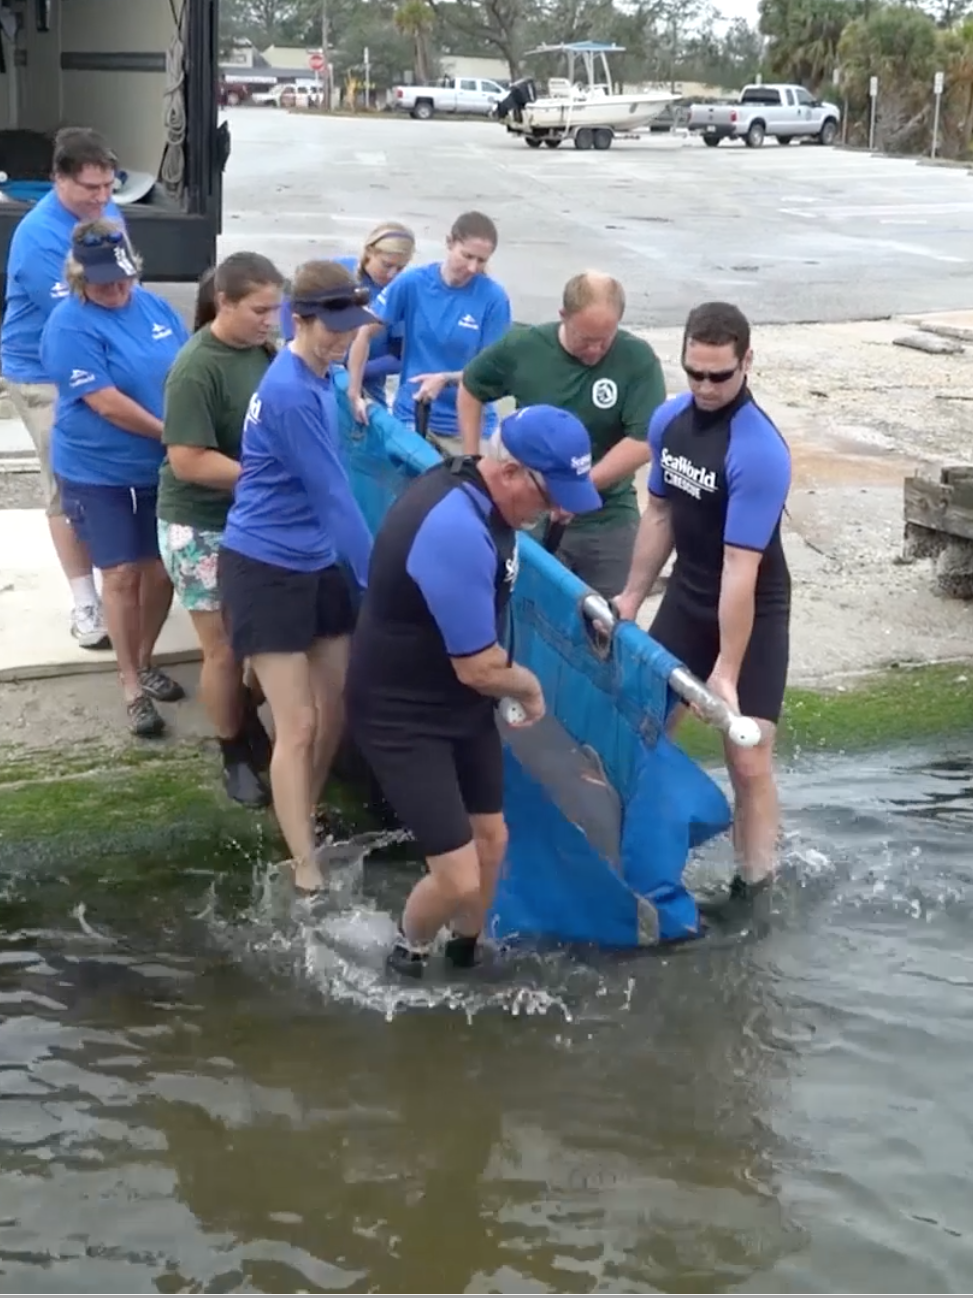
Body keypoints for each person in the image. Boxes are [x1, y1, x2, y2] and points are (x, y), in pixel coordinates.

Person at [352, 406, 602, 978]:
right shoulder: (455, 527)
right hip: (402, 714)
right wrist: (532, 689)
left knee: (492, 840)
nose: (559, 511)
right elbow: (479, 668)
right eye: (550, 495)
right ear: (510, 472)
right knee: (457, 875)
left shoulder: (491, 500)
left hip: (460, 704)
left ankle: (467, 951)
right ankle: (406, 952)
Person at [613, 302, 792, 895]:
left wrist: (727, 672)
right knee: (642, 730)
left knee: (747, 757)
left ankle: (757, 880)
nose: (706, 387)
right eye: (695, 373)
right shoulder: (669, 421)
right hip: (689, 596)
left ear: (746, 361)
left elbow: (742, 567)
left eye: (720, 375)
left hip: (752, 609)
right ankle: (633, 861)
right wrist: (632, 598)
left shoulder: (759, 450)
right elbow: (659, 512)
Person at [218, 260, 381, 894]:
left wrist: (356, 387)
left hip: (314, 563)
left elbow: (331, 500)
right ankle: (305, 869)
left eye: (351, 325)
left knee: (335, 705)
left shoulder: (323, 374)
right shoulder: (287, 393)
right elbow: (335, 496)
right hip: (264, 566)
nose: (343, 336)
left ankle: (303, 813)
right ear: (299, 319)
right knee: (300, 722)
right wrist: (381, 582)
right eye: (332, 326)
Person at [40, 218, 190, 737]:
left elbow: (186, 366)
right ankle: (129, 684)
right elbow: (105, 402)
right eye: (103, 282)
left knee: (163, 569)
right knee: (122, 574)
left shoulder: (155, 307)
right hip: (98, 468)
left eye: (122, 277)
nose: (116, 288)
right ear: (80, 280)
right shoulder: (68, 324)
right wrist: (169, 432)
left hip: (160, 467)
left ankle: (146, 658)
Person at [158, 253, 287, 805]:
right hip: (201, 523)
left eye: (276, 310)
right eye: (260, 310)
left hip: (253, 517)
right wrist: (266, 478)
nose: (271, 321)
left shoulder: (261, 352)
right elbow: (188, 460)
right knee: (224, 650)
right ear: (225, 303)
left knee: (268, 638)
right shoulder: (196, 367)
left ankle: (247, 718)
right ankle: (232, 750)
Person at [457, 271, 665, 598]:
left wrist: (580, 487)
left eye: (605, 339)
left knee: (609, 621)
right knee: (521, 604)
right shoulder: (524, 347)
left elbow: (644, 440)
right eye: (585, 338)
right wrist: (474, 461)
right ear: (563, 316)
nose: (595, 350)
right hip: (530, 510)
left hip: (606, 516)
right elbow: (471, 387)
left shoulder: (637, 360)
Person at [0, 127, 126, 651]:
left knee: (111, 476)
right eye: (88, 188)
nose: (99, 198)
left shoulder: (108, 217)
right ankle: (85, 603)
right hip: (42, 374)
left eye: (107, 187)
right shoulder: (38, 236)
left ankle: (123, 581)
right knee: (66, 487)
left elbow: (124, 290)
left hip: (101, 362)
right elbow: (79, 316)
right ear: (58, 180)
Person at [344, 211, 512, 450]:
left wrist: (445, 379)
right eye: (467, 256)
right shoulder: (412, 282)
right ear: (449, 243)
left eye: (482, 260)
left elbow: (494, 372)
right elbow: (364, 332)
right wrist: (354, 392)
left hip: (467, 425)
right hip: (413, 415)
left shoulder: (493, 299)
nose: (473, 267)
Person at [281, 221, 416, 402]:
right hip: (313, 371)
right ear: (369, 252)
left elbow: (399, 357)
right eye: (386, 264)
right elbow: (290, 299)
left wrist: (354, 369)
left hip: (366, 387)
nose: (392, 274)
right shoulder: (340, 271)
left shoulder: (399, 292)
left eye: (400, 268)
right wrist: (295, 343)